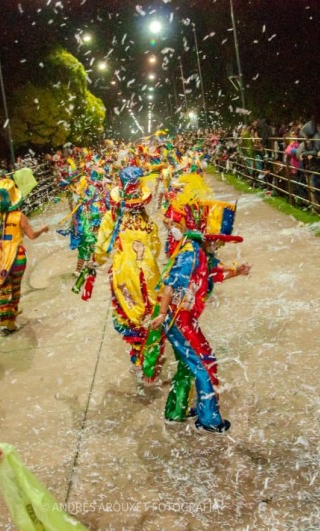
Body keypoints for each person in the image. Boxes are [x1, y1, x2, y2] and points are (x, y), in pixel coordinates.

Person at [149, 181, 250, 433]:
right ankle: (208, 420)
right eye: (218, 241)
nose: (220, 246)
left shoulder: (201, 254)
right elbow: (170, 285)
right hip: (177, 320)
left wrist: (237, 272)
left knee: (188, 364)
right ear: (207, 238)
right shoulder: (191, 254)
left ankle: (176, 410)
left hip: (182, 318)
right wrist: (162, 314)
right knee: (206, 363)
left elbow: (213, 276)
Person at [93, 166, 161, 368]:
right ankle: (148, 354)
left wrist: (95, 260)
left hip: (124, 274)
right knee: (149, 313)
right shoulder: (149, 222)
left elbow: (102, 250)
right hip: (148, 274)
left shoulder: (112, 219)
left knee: (133, 316)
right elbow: (156, 249)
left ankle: (138, 358)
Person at [0, 178, 49, 333]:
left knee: (4, 289)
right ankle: (11, 320)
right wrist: (43, 229)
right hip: (17, 257)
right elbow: (32, 235)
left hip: (0, 256)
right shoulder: (20, 217)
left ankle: (4, 322)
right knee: (16, 288)